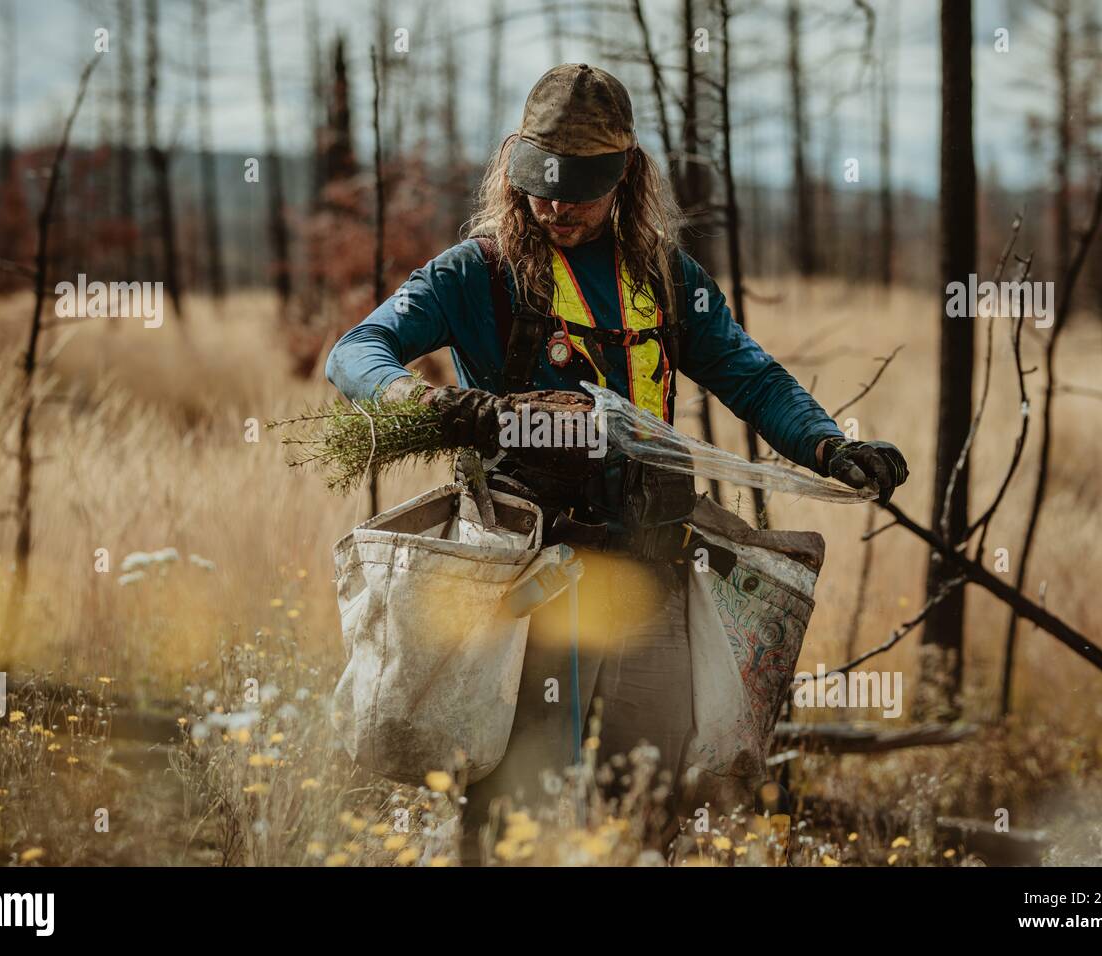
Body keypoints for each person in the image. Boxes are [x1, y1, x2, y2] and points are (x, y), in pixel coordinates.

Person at [326, 63, 908, 863]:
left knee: (644, 806)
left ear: (626, 175)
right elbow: (356, 351)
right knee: (512, 810)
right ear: (515, 166)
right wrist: (426, 406)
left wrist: (828, 443)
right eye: (541, 185)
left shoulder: (667, 279)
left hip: (652, 576)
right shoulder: (476, 273)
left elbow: (751, 374)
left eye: (580, 188)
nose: (556, 206)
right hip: (529, 578)